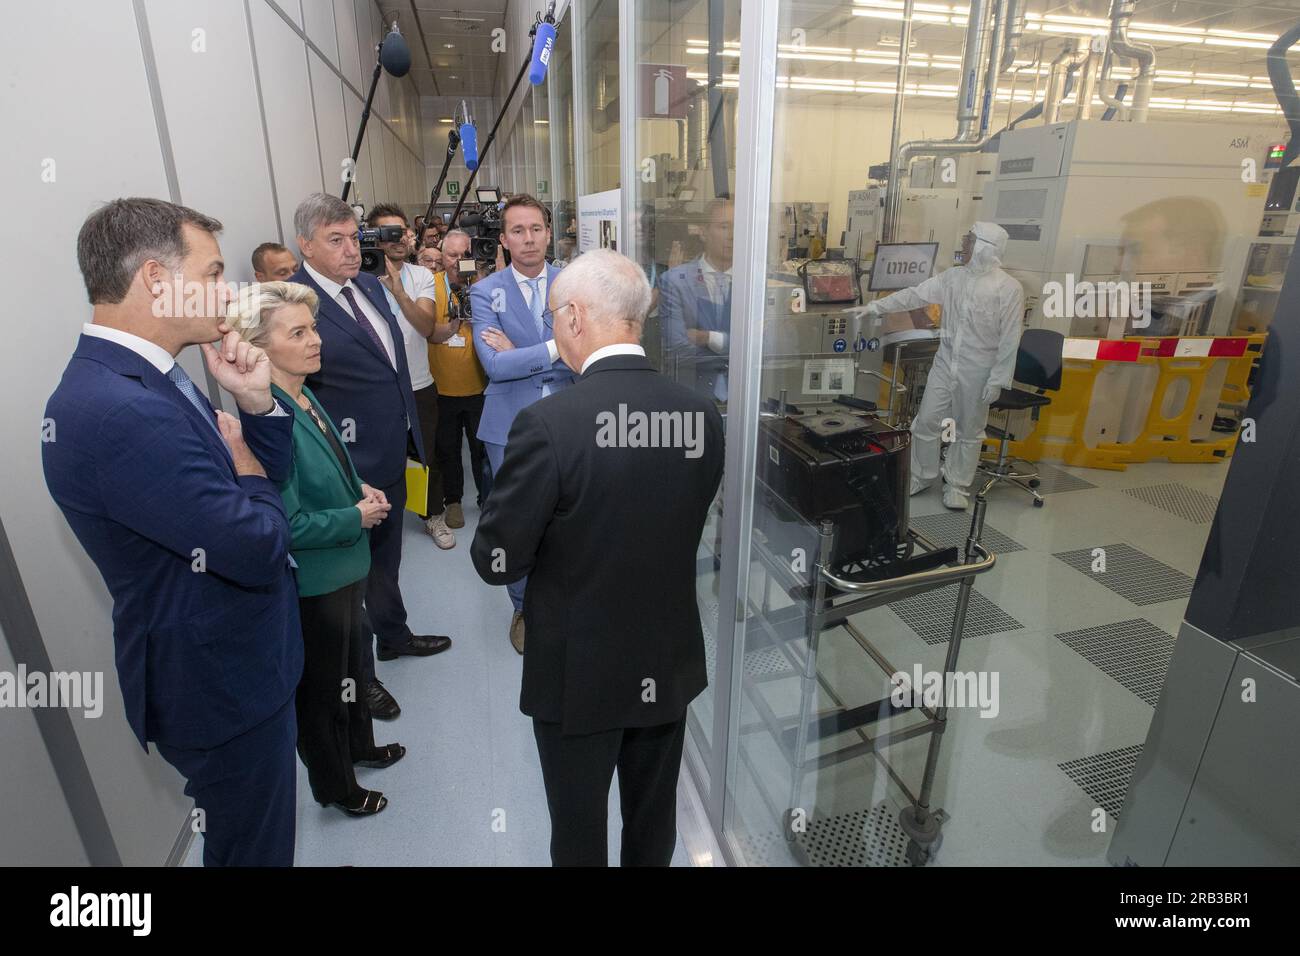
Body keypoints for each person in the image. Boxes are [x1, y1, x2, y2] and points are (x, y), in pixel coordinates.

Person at [42, 198, 301, 865]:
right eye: (214, 273)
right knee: (253, 852)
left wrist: (256, 406)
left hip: (236, 668)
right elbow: (256, 546)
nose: (230, 290)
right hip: (220, 686)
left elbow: (251, 496)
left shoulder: (152, 377)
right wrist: (247, 469)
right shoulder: (115, 409)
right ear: (157, 279)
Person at [471, 249, 724, 866]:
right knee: (651, 817)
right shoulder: (700, 413)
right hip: (666, 659)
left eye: (556, 314)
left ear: (576, 318)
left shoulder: (548, 424)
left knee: (579, 826)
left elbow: (497, 559)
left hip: (577, 672)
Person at [226, 281, 406, 817]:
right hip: (315, 583)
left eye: (313, 328)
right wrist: (356, 516)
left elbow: (334, 467)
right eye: (298, 332)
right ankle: (338, 787)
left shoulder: (305, 394)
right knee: (323, 694)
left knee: (355, 673)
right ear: (258, 347)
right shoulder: (266, 421)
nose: (315, 340)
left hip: (345, 571)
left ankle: (362, 748)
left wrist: (360, 491)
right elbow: (289, 523)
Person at [289, 193, 451, 724]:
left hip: (394, 445)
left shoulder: (371, 286)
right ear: (305, 245)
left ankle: (394, 636)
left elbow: (393, 367)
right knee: (348, 581)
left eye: (352, 238)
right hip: (346, 467)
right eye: (334, 241)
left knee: (387, 557)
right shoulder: (295, 304)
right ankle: (361, 679)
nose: (351, 250)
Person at [851, 221, 1024, 511]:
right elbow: (915, 295)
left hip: (978, 371)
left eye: (969, 241)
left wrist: (998, 380)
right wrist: (875, 307)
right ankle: (922, 475)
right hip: (945, 364)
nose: (964, 245)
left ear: (984, 247)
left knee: (969, 430)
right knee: (927, 421)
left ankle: (957, 485)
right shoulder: (954, 278)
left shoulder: (1008, 289)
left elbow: (1010, 339)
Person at [470, 194, 575, 654]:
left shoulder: (574, 285)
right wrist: (557, 349)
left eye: (536, 229)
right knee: (518, 521)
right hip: (509, 426)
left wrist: (522, 352)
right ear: (505, 238)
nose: (528, 239)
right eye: (518, 230)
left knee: (572, 515)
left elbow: (588, 358)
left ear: (548, 232)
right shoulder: (484, 290)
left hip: (573, 418)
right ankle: (523, 607)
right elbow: (495, 366)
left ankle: (569, 602)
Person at [367, 202, 454, 550]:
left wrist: (399, 291)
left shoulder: (421, 276)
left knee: (425, 454)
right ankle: (379, 521)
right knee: (380, 455)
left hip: (419, 384)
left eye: (402, 231)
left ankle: (433, 515)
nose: (398, 238)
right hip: (377, 389)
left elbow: (425, 326)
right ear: (373, 238)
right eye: (388, 233)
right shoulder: (359, 276)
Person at [428, 229, 488, 529]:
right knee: (447, 450)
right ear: (441, 256)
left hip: (479, 386)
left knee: (481, 449)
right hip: (442, 388)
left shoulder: (484, 287)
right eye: (453, 255)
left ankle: (487, 500)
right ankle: (453, 501)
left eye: (466, 254)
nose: (459, 261)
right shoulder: (430, 286)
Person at [657, 199, 734, 401]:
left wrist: (708, 337)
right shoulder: (675, 281)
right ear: (703, 231)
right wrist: (740, 350)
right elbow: (677, 349)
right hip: (692, 397)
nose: (733, 236)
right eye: (724, 226)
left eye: (739, 227)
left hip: (745, 399)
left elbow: (776, 345)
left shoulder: (756, 282)